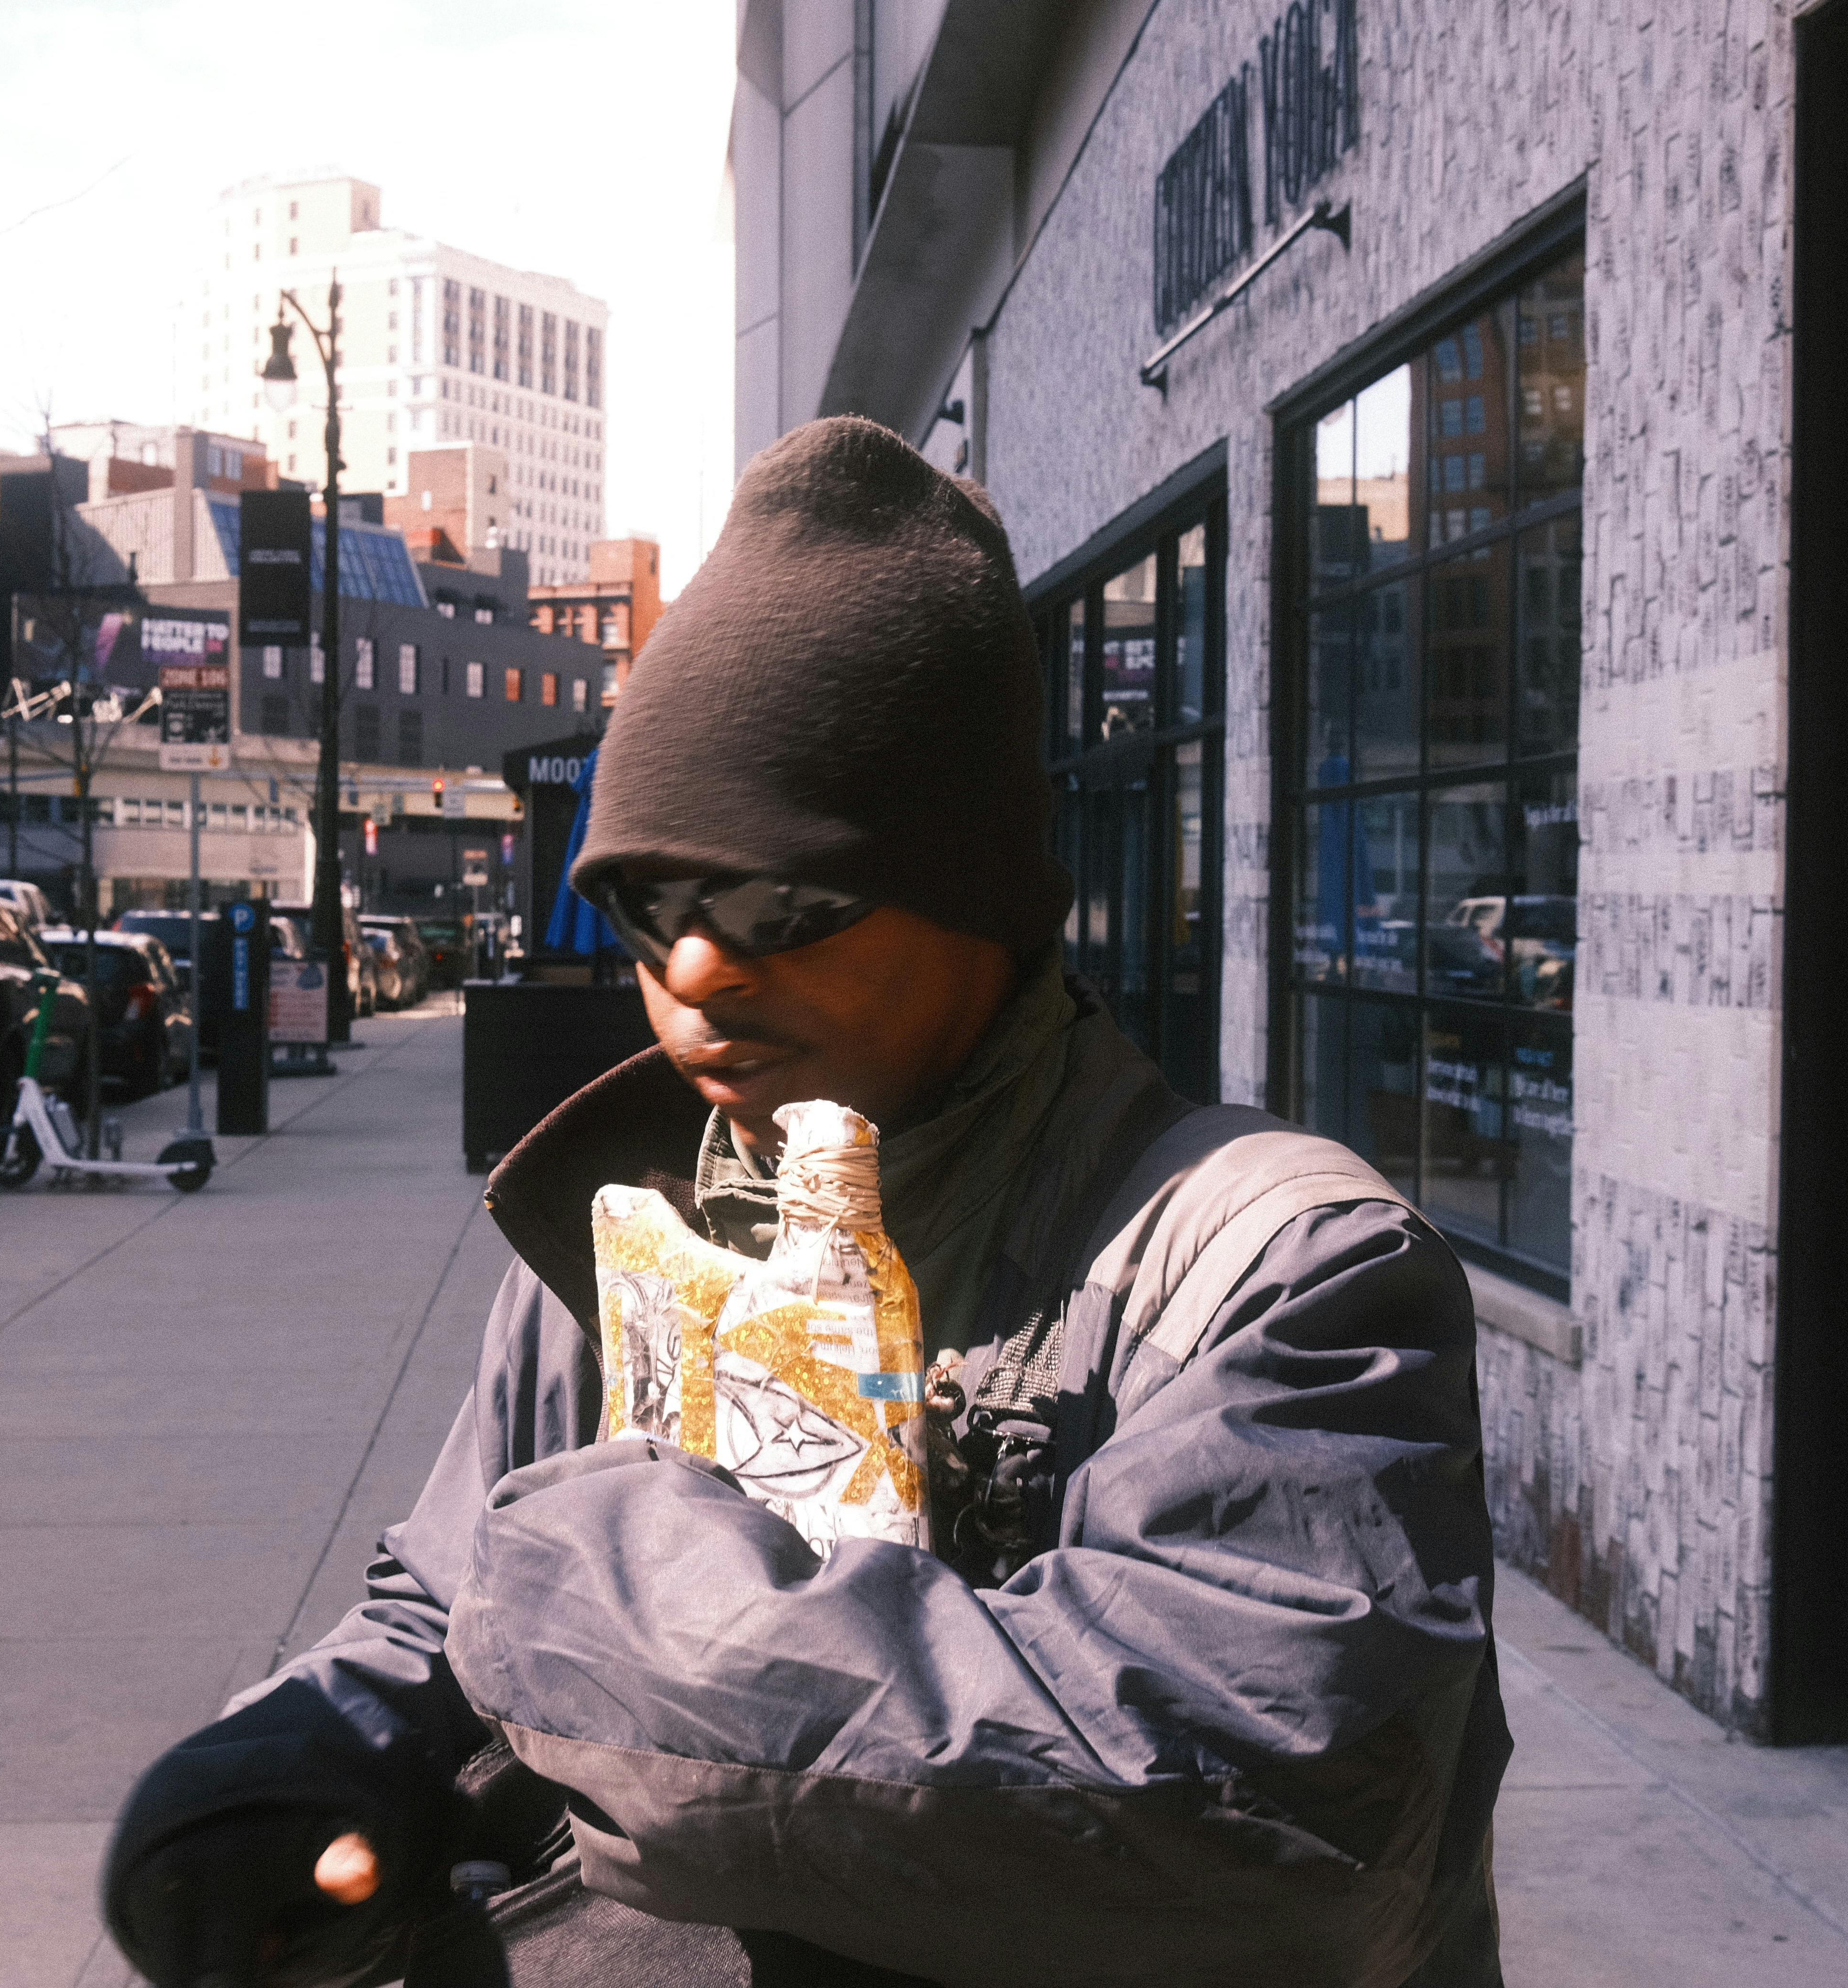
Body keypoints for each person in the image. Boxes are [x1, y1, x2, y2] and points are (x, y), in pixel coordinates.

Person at [102, 417, 1510, 1988]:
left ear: (972, 896)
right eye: (650, 903)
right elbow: (454, 1590)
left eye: (778, 902)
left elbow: (1271, 1810)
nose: (697, 972)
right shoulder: (633, 1219)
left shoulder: (1280, 1263)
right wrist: (322, 1751)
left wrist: (633, 1593)